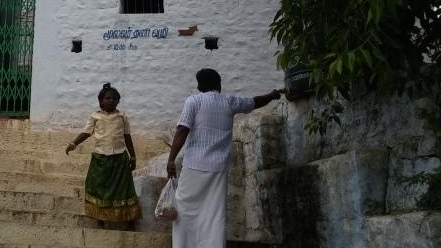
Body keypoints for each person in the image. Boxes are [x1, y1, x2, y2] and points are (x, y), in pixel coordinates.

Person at [166, 69, 281, 248]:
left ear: (199, 85)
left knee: (184, 211)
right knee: (214, 213)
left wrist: (171, 158)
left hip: (194, 165)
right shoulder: (230, 101)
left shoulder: (194, 100)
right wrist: (272, 95)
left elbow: (182, 129)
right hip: (218, 168)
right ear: (218, 84)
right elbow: (255, 102)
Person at [66, 83, 142, 223]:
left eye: (114, 98)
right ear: (101, 100)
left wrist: (133, 156)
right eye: (107, 98)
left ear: (118, 101)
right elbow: (86, 132)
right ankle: (100, 216)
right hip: (100, 158)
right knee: (98, 188)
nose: (111, 100)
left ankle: (127, 218)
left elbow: (127, 136)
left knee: (123, 189)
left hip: (120, 158)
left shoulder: (122, 116)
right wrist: (73, 143)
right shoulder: (95, 116)